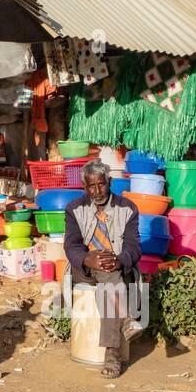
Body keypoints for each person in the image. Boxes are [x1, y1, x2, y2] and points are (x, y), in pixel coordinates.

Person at [62, 159, 143, 379]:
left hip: (115, 266)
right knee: (107, 273)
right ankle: (123, 327)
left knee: (109, 275)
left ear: (110, 181)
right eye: (91, 186)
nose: (97, 191)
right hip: (85, 267)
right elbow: (71, 244)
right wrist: (89, 260)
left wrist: (119, 260)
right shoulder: (74, 209)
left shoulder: (128, 209)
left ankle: (112, 353)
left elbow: (134, 247)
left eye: (102, 184)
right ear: (84, 187)